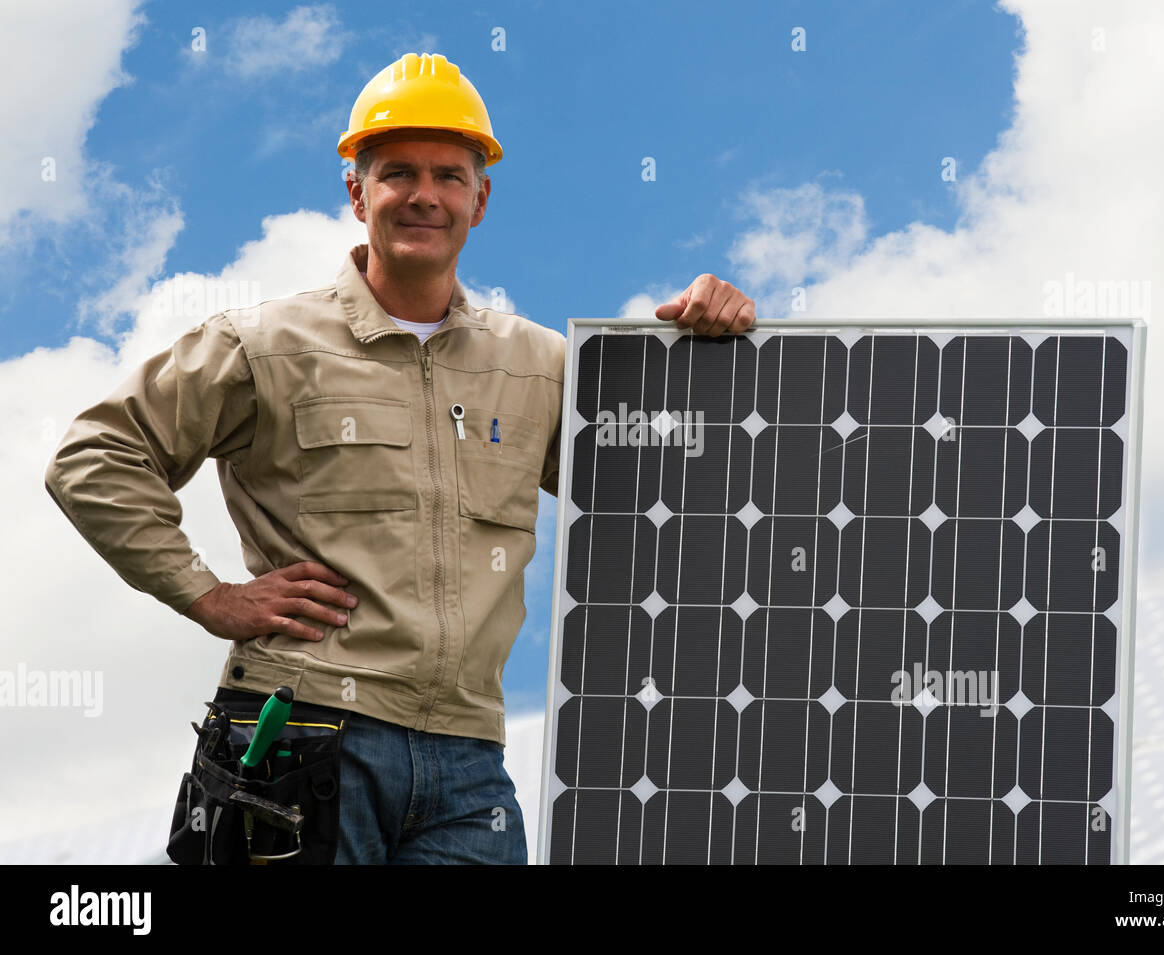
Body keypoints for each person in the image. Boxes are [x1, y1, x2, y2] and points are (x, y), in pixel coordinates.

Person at [42, 52, 754, 864]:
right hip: (300, 735)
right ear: (357, 192)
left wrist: (710, 350)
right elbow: (95, 457)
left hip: (467, 768)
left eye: (450, 175)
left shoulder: (540, 366)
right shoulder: (263, 344)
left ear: (480, 199)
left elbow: (681, 491)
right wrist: (209, 595)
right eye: (398, 172)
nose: (425, 195)